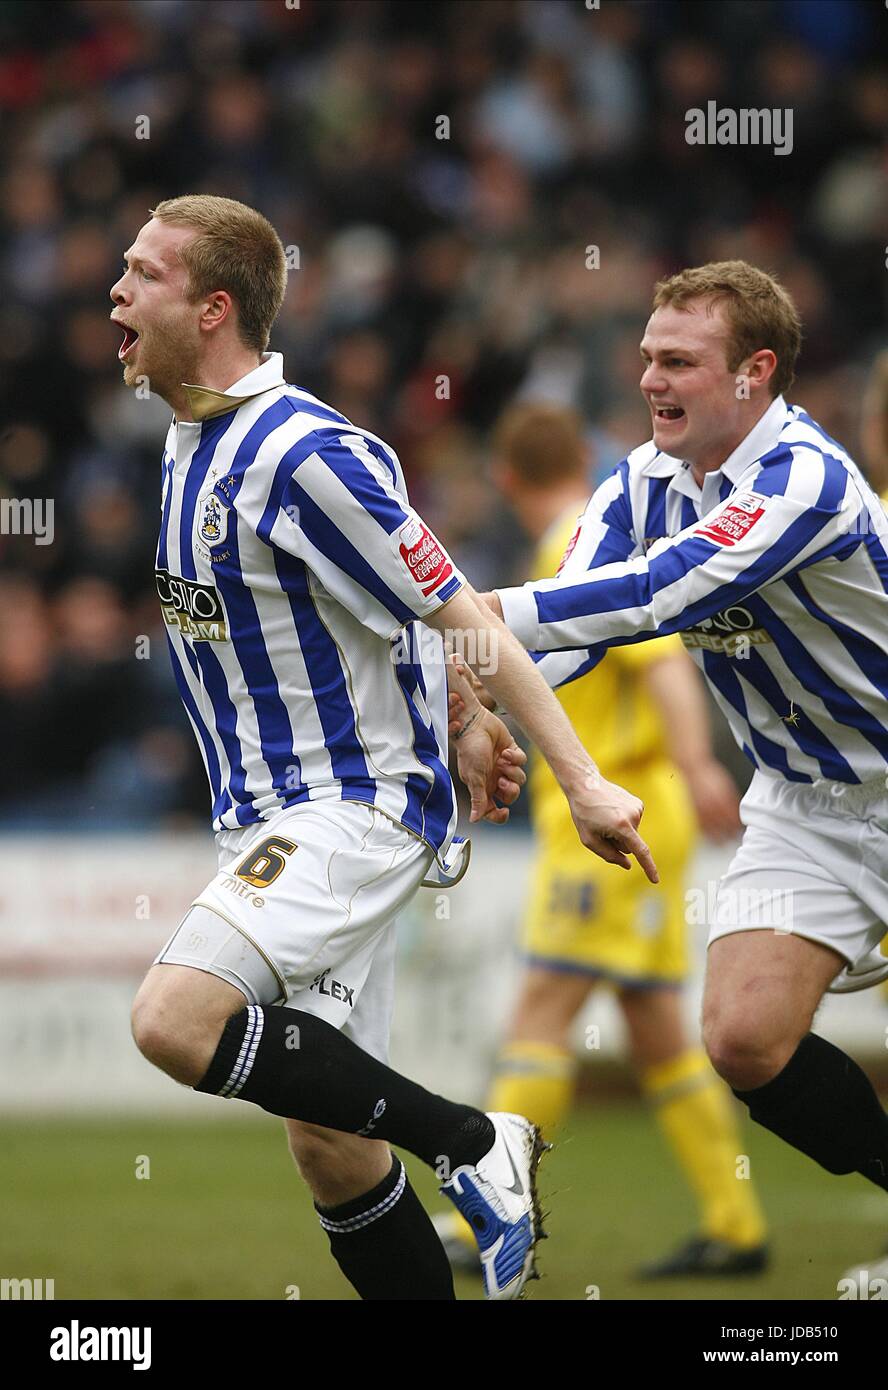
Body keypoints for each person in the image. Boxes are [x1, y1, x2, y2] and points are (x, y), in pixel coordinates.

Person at [110, 194, 657, 1301]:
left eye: (141, 275)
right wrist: (459, 717)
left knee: (174, 1020)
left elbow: (457, 608)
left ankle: (472, 1140)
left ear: (213, 309)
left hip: (348, 808)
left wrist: (582, 779)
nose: (115, 292)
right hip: (269, 814)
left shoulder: (305, 452)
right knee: (332, 1144)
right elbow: (379, 619)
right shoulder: (185, 441)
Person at [484, 261, 888, 1284]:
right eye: (646, 359)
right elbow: (579, 622)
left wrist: (465, 613)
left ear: (756, 373)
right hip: (805, 798)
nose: (651, 380)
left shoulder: (807, 477)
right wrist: (476, 696)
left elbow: (658, 594)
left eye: (679, 361)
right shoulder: (640, 480)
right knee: (743, 1037)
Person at [438, 401, 769, 1279]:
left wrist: (699, 763)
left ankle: (487, 1217)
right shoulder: (594, 533)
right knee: (658, 1030)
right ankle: (735, 1225)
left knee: (539, 1013)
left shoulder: (565, 550)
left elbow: (656, 658)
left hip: (614, 809)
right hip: (639, 801)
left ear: (506, 478)